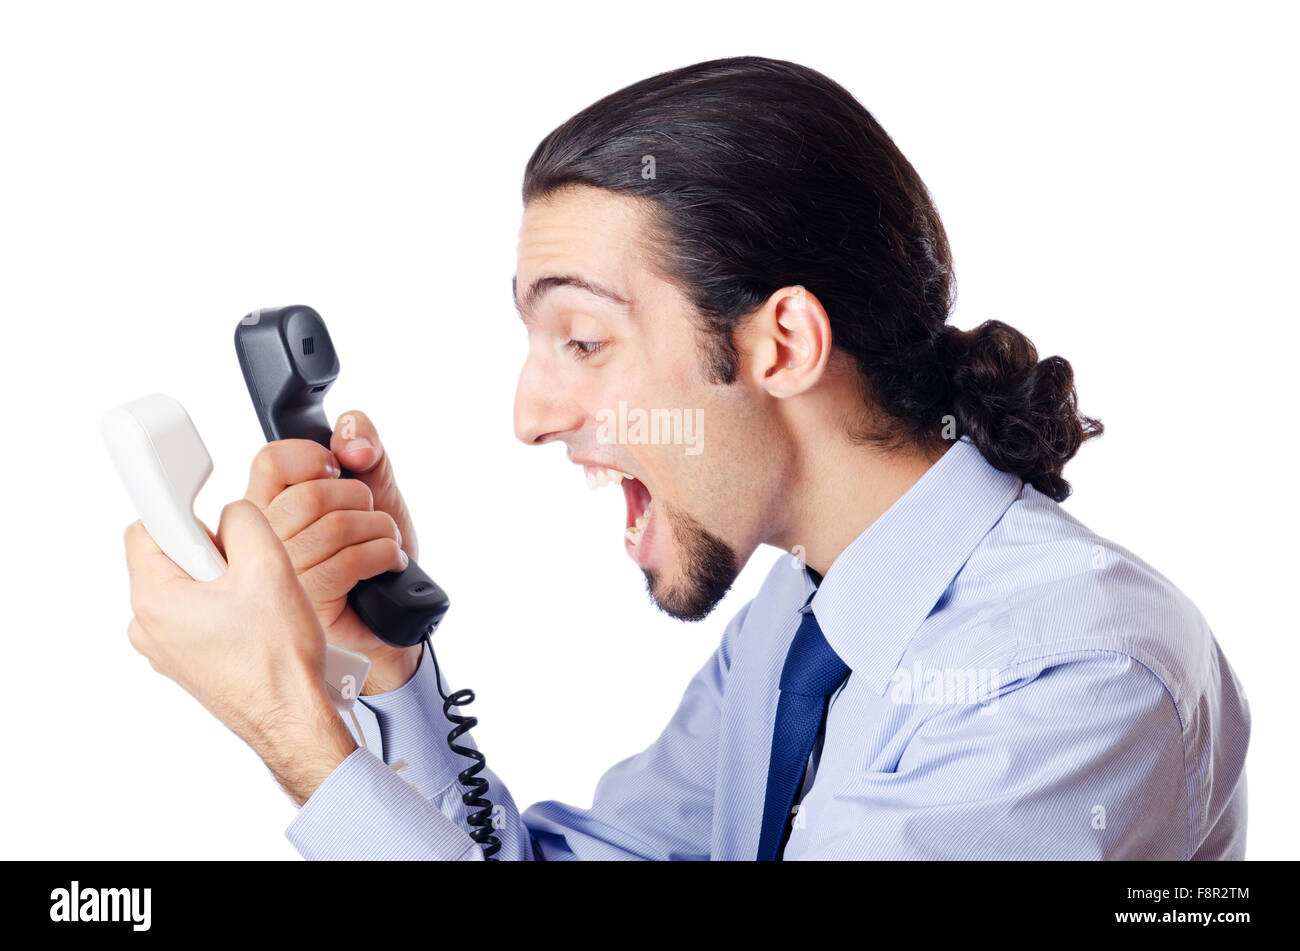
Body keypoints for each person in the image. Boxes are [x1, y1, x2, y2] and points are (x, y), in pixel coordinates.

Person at [122, 56, 1249, 860]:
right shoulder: (799, 628)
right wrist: (381, 668)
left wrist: (290, 725)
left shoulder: (1070, 680)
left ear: (782, 342)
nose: (529, 414)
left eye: (583, 340)